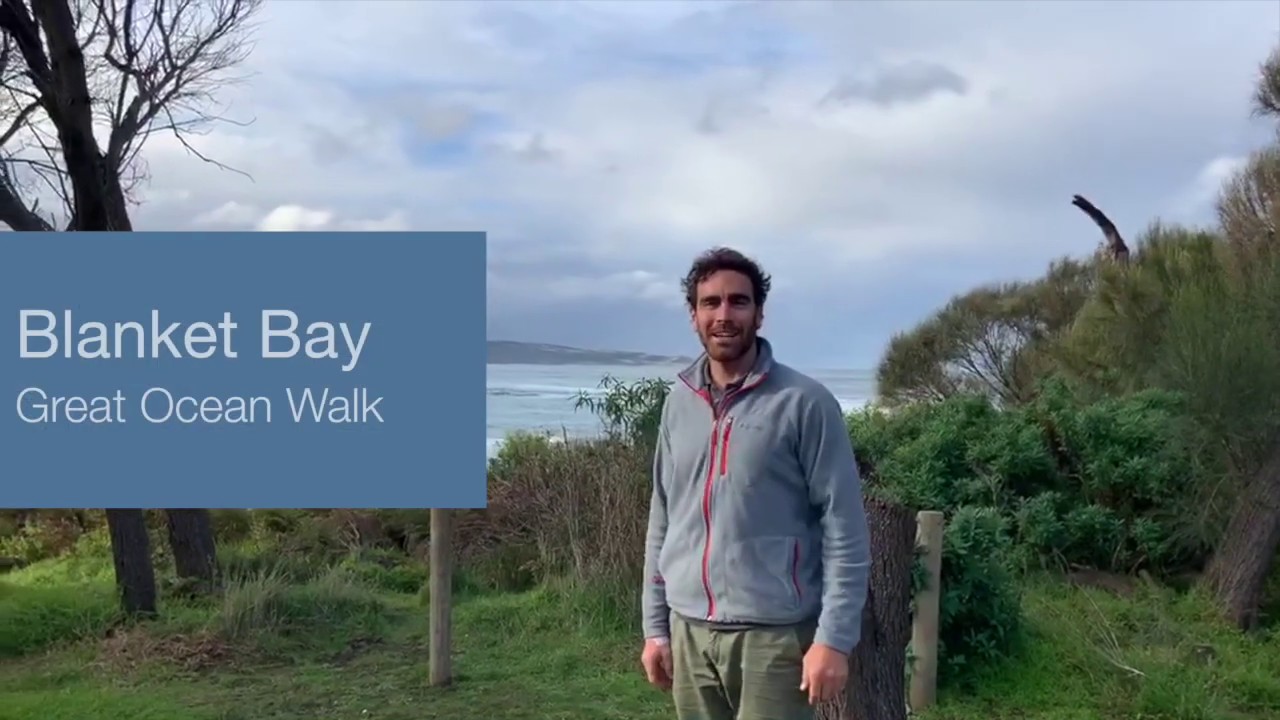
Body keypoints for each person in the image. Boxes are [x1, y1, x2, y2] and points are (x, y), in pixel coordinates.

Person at [640, 247, 871, 720]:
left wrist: (834, 639)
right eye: (711, 303)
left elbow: (844, 529)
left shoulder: (805, 403)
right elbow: (664, 518)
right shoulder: (677, 404)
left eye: (738, 302)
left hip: (775, 639)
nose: (723, 315)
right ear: (693, 315)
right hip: (688, 633)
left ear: (759, 313)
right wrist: (656, 628)